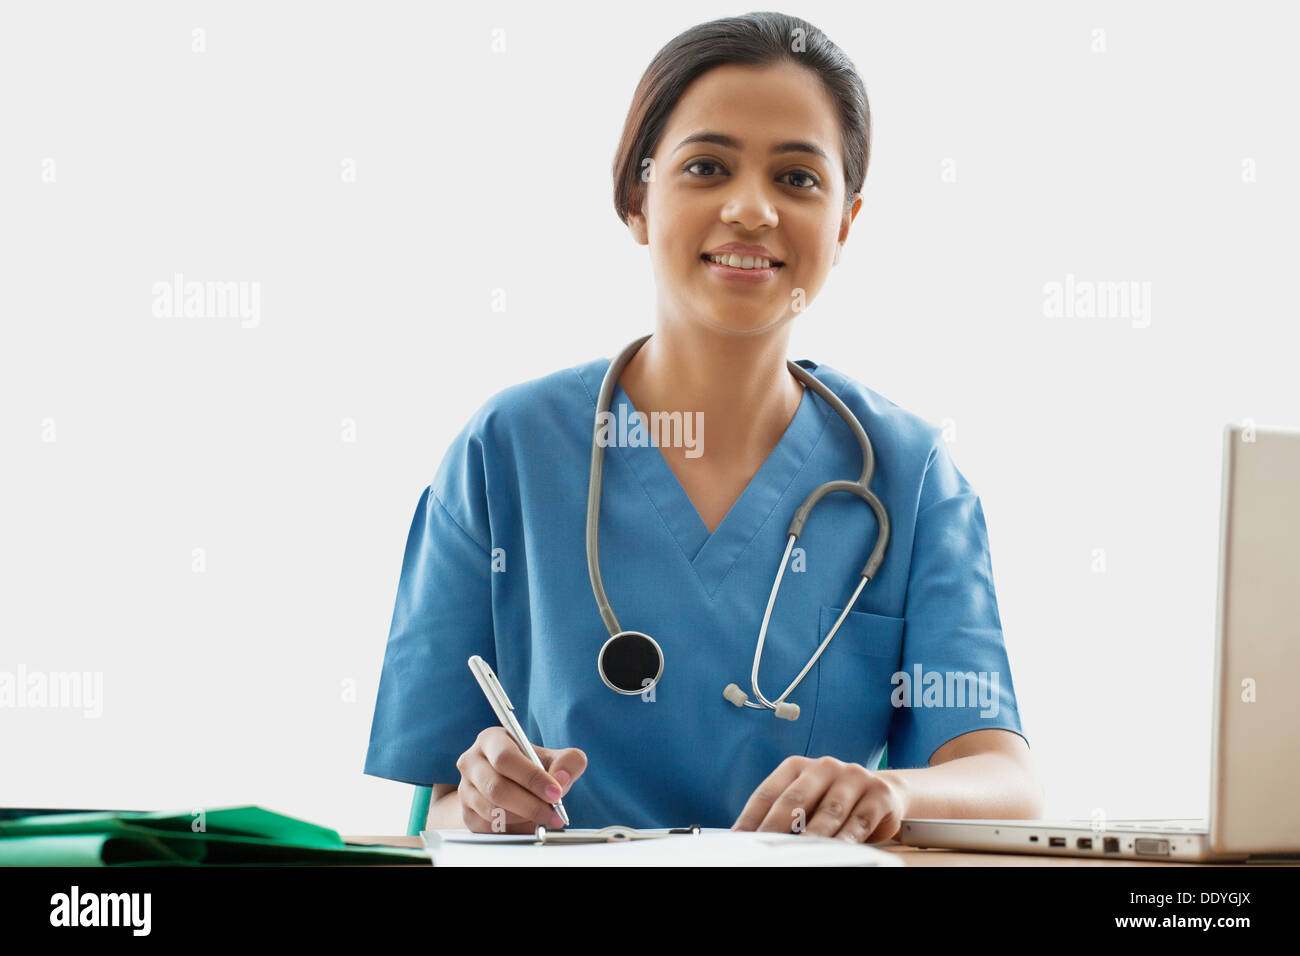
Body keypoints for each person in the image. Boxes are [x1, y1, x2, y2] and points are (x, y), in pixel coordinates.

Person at [364, 11, 1043, 842]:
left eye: (797, 179)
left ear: (846, 223)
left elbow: (1004, 778)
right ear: (636, 200)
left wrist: (887, 791)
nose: (751, 210)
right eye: (707, 166)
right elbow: (433, 808)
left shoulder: (910, 473)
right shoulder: (507, 450)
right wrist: (480, 803)